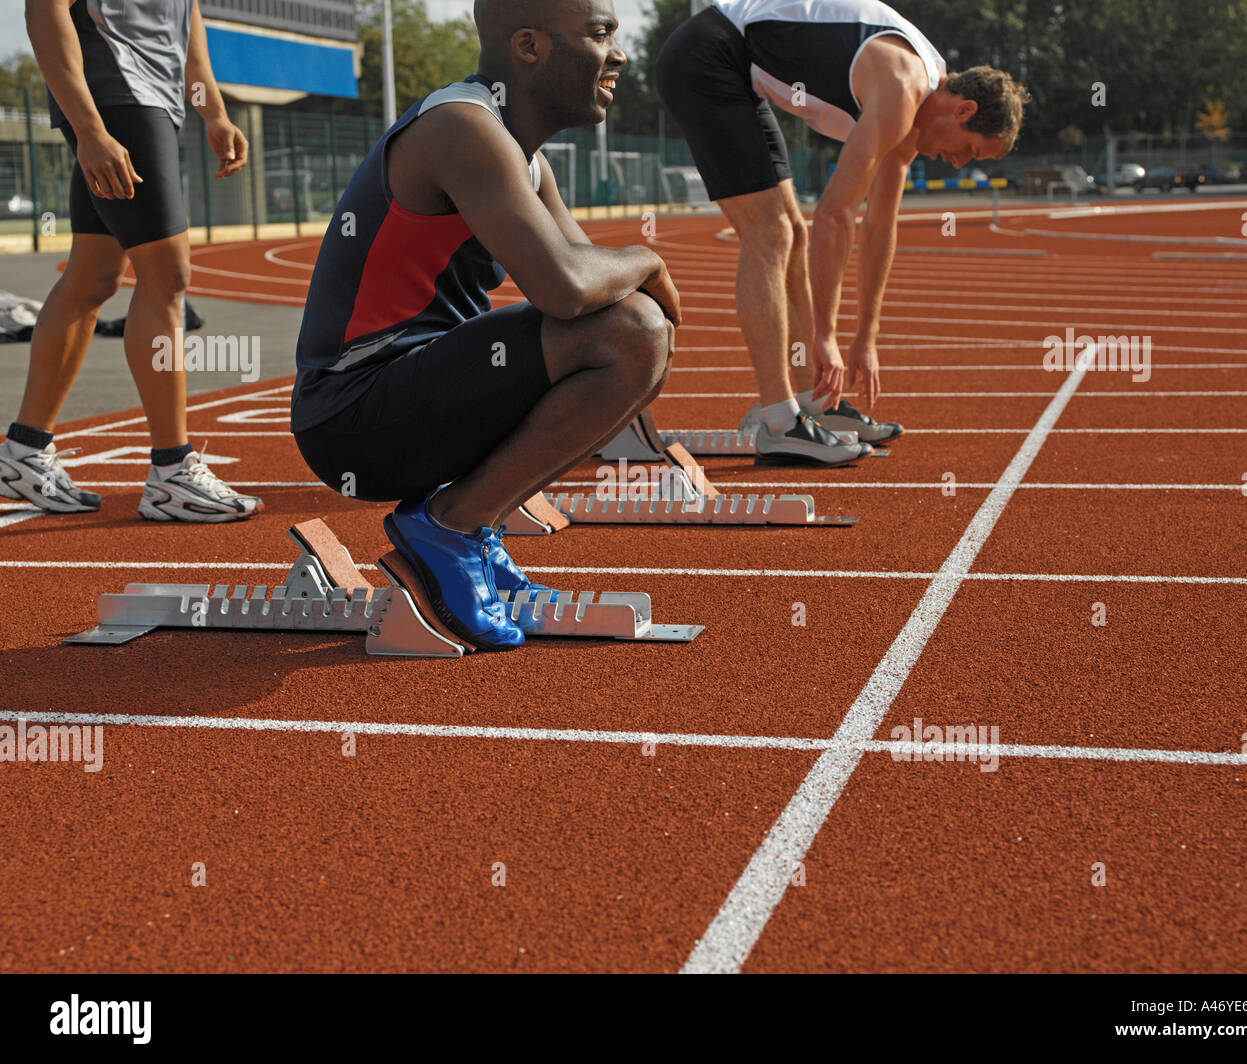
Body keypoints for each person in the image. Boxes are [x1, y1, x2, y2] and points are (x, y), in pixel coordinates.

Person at [291, 0, 682, 651]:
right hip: (352, 411)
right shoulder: (460, 128)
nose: (618, 54)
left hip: (415, 396)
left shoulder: (528, 160)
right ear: (529, 47)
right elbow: (566, 287)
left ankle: (471, 529)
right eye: (600, 34)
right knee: (632, 333)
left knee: (639, 336)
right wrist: (647, 258)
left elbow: (589, 288)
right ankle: (451, 526)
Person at [657, 0, 1030, 466]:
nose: (959, 163)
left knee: (792, 231)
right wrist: (827, 336)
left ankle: (814, 403)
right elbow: (836, 213)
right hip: (707, 56)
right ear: (963, 109)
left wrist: (865, 338)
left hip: (739, 70)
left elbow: (878, 227)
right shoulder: (902, 90)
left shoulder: (918, 106)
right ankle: (778, 422)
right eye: (970, 150)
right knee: (771, 235)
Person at [1, 0, 260, 522]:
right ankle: (173, 469)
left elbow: (187, 32)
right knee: (167, 277)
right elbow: (44, 10)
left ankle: (24, 451)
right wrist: (90, 130)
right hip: (117, 103)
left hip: (153, 105)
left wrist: (213, 112)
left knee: (94, 277)